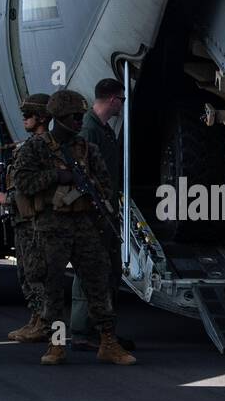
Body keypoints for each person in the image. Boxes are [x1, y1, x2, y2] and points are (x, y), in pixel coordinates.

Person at [14, 88, 137, 366]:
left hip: (84, 226)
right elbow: (23, 183)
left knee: (98, 284)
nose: (79, 122)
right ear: (58, 118)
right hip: (51, 227)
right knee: (53, 290)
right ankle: (56, 345)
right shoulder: (36, 148)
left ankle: (108, 342)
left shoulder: (87, 149)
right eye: (73, 117)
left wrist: (91, 192)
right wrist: (58, 176)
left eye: (81, 117)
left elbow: (105, 186)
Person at [70, 77, 129, 350]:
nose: (123, 104)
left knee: (110, 271)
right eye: (122, 99)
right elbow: (81, 173)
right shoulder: (88, 130)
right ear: (113, 99)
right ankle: (83, 330)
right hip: (93, 213)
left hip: (107, 211)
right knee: (90, 269)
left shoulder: (103, 130)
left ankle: (103, 330)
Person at [3, 92, 52, 343]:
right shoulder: (33, 144)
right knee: (26, 272)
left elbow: (33, 185)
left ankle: (44, 323)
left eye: (27, 115)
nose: (23, 120)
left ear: (41, 117)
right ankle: (36, 318)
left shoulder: (42, 146)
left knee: (35, 272)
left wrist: (7, 199)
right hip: (23, 219)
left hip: (33, 219)